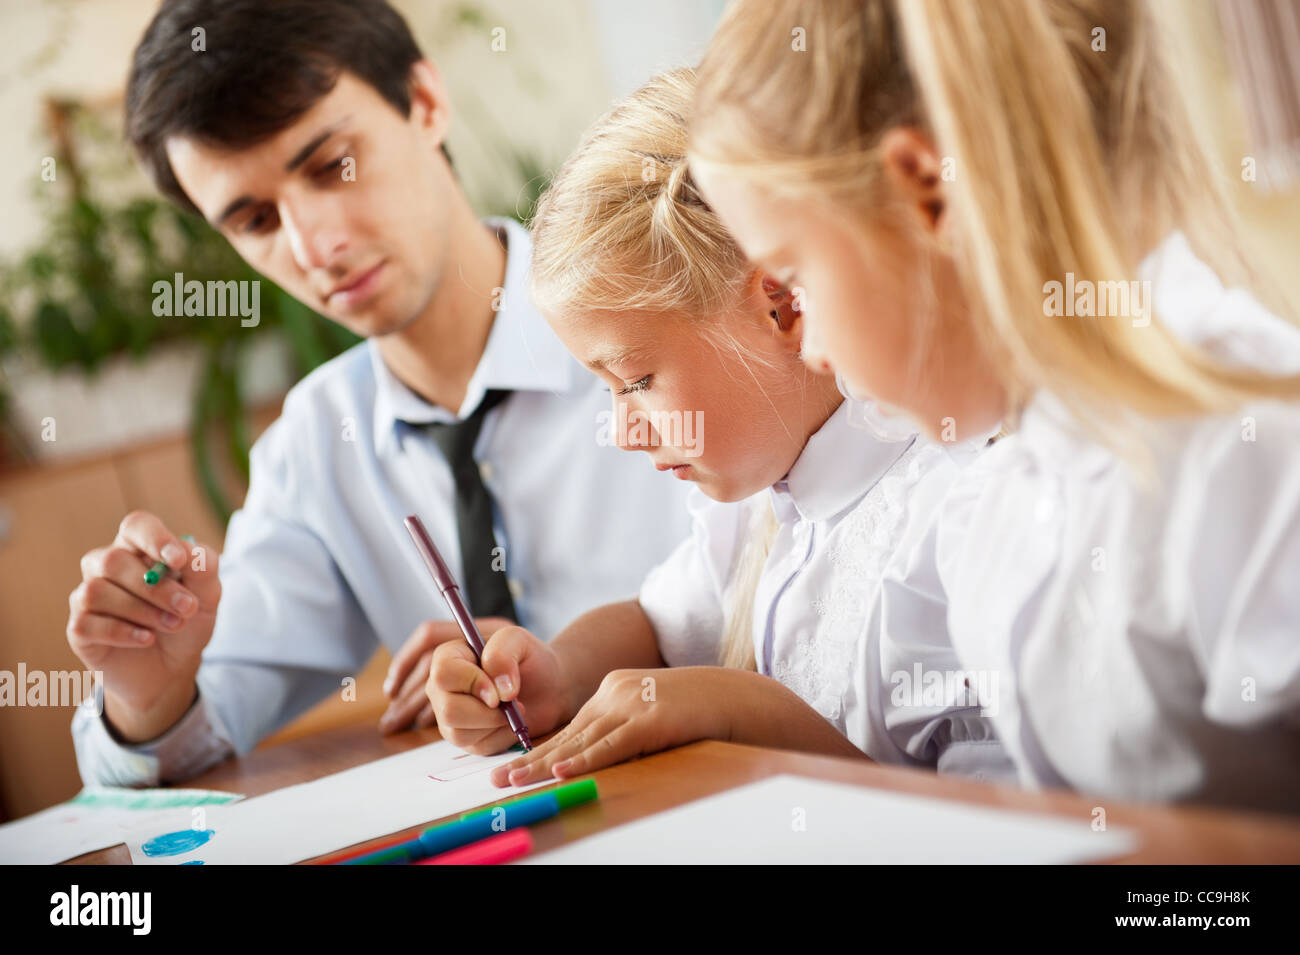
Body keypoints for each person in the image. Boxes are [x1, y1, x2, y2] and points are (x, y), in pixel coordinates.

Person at [687, 0, 1300, 813]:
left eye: (796, 278)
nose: (811, 348)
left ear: (928, 192)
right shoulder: (990, 487)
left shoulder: (1244, 444)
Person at [65, 0, 691, 787]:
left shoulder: (663, 320)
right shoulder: (320, 442)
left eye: (332, 167)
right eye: (256, 219)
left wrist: (576, 668)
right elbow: (176, 742)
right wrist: (146, 693)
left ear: (425, 103)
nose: (312, 247)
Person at [424, 69, 1012, 788]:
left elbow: (998, 817)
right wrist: (556, 673)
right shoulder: (758, 500)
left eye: (636, 381)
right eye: (606, 390)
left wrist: (749, 714)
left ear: (783, 306)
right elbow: (658, 623)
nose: (625, 431)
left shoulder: (960, 510)